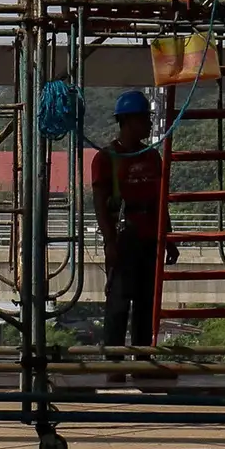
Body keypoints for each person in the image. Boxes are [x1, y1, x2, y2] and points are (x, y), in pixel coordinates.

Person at [89, 90, 166, 359]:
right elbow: (100, 203)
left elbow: (160, 199)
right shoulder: (107, 158)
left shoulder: (152, 157)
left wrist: (168, 236)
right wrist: (110, 242)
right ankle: (114, 364)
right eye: (145, 118)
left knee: (146, 303)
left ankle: (142, 361)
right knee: (119, 303)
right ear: (129, 121)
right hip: (124, 238)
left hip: (149, 238)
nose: (148, 124)